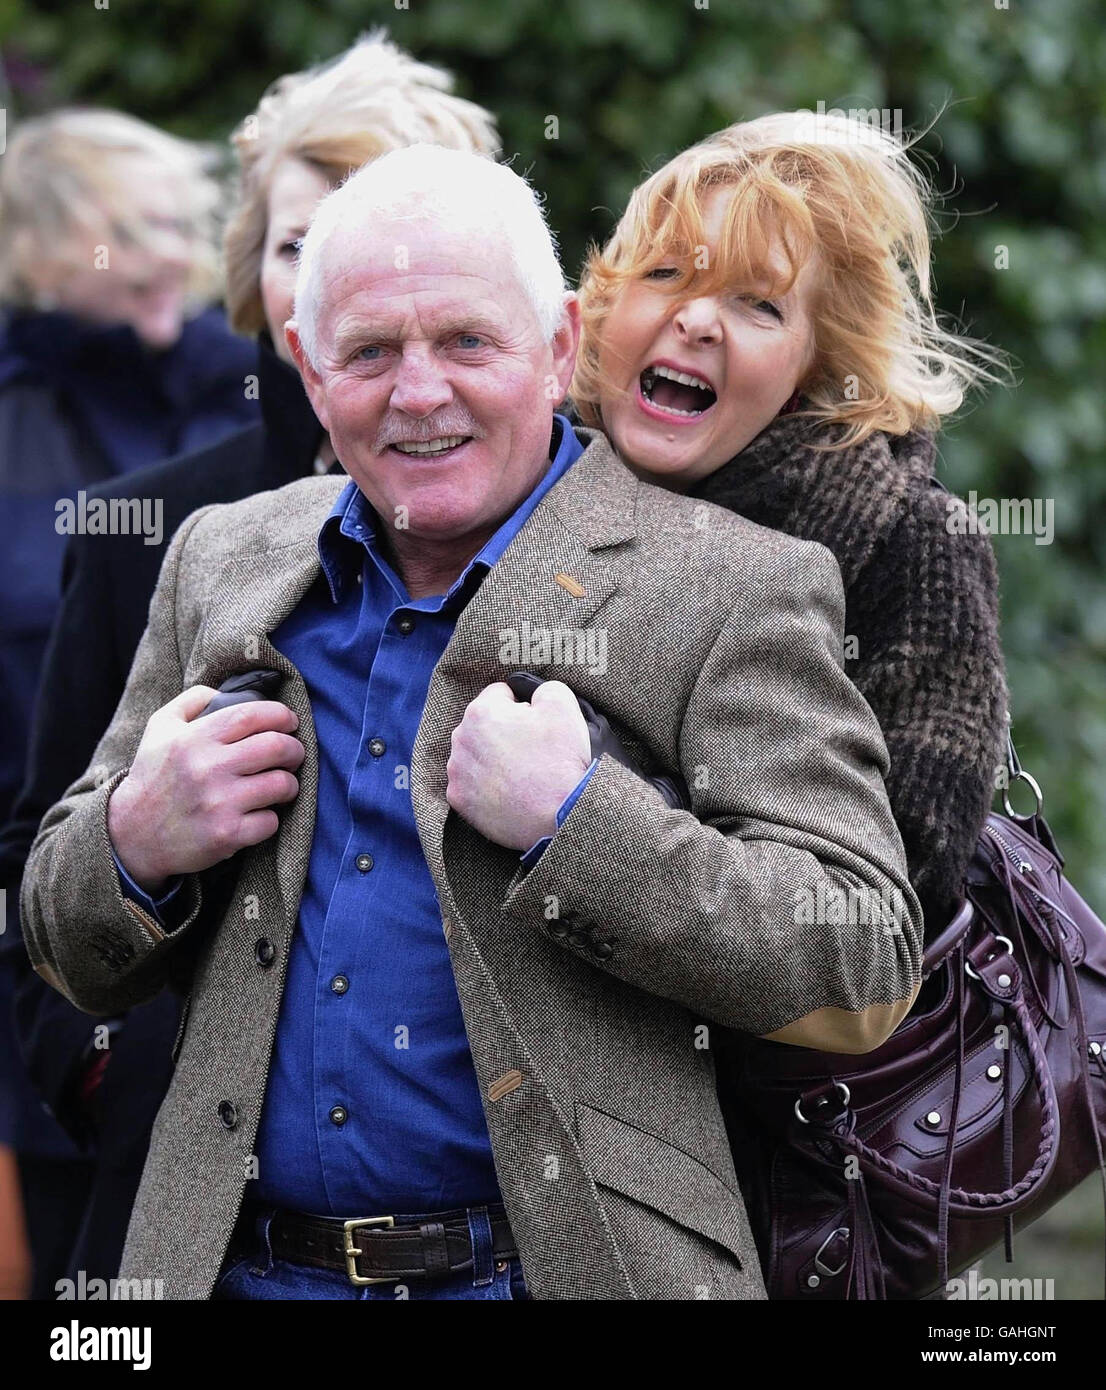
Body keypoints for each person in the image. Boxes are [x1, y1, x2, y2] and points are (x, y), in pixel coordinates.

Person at [21, 144, 922, 1301]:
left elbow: (861, 961)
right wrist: (135, 842)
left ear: (556, 345)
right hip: (233, 1274)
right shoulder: (222, 559)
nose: (418, 393)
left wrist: (580, 825)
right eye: (370, 352)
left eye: (465, 342)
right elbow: (60, 936)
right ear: (304, 362)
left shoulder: (729, 587)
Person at [0, 33, 499, 1297]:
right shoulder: (147, 533)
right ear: (258, 276)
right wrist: (115, 1067)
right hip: (182, 1222)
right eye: (301, 240)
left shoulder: (570, 518)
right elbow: (37, 865)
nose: (346, 270)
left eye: (394, 223)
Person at [571, 111, 1009, 947]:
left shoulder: (910, 542)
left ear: (814, 363)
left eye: (759, 304)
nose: (698, 321)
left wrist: (589, 819)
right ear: (601, 307)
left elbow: (901, 885)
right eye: (665, 273)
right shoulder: (524, 477)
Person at [0, 104, 258, 1300]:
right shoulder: (14, 425)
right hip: (43, 955)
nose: (167, 250)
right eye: (130, 227)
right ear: (43, 245)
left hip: (237, 961)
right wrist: (65, 1046)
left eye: (179, 223)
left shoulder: (261, 409)